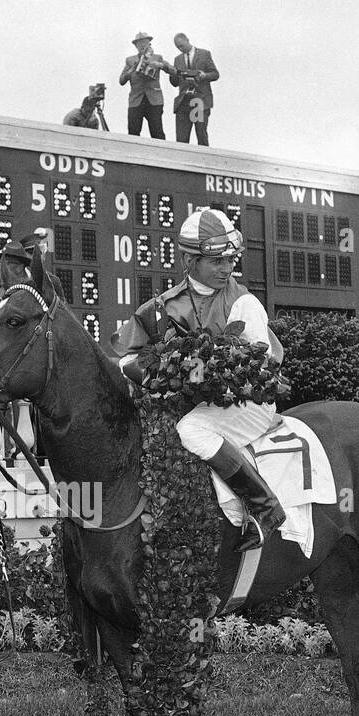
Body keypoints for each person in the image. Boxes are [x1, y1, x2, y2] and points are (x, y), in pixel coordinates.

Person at [113, 206, 286, 550]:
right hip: (193, 405)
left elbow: (260, 366)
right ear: (189, 261)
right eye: (217, 261)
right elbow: (125, 358)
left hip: (246, 404)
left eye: (230, 260)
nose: (227, 268)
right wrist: (160, 379)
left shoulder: (245, 303)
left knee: (190, 430)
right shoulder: (161, 308)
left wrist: (198, 374)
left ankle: (265, 507)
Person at [119, 31, 175, 139]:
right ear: (135, 46)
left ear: (149, 43)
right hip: (136, 100)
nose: (142, 45)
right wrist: (129, 73)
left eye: (145, 42)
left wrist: (161, 65)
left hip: (154, 100)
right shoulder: (130, 60)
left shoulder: (157, 58)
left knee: (157, 132)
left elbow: (173, 71)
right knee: (133, 133)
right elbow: (121, 81)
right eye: (139, 43)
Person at [170, 32, 220, 146]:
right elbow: (174, 83)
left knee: (201, 134)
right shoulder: (177, 59)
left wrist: (204, 76)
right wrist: (173, 73)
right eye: (178, 47)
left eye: (181, 45)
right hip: (183, 102)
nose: (180, 49)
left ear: (187, 40)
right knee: (181, 140)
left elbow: (215, 74)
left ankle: (204, 160)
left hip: (199, 101)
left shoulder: (204, 54)